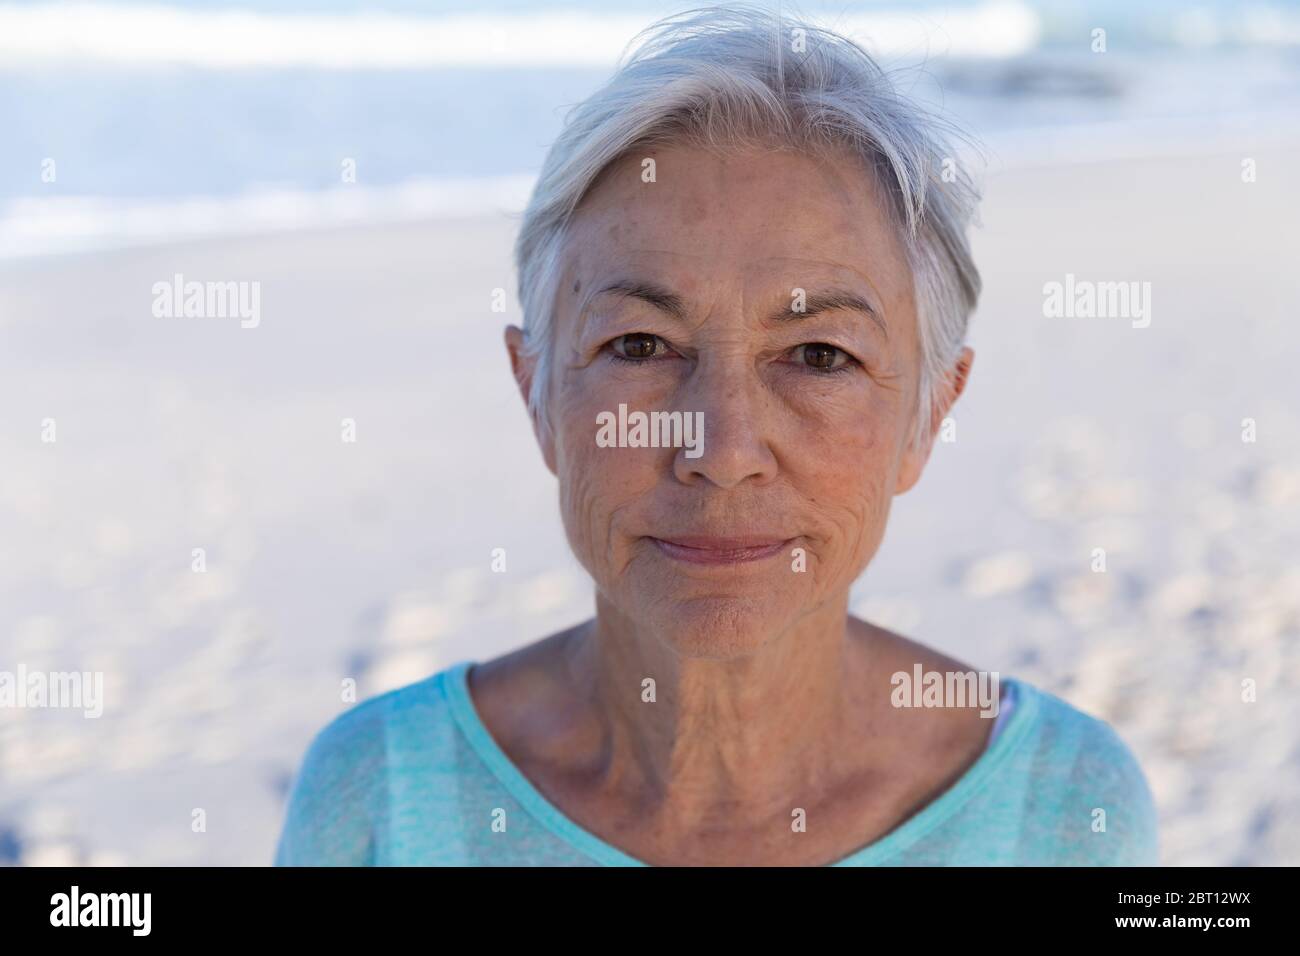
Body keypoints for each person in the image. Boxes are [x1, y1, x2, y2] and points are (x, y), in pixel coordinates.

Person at [275, 4, 1158, 867]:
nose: (724, 451)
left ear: (929, 414)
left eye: (818, 354)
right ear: (535, 392)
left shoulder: (1065, 809)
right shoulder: (378, 794)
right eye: (640, 345)